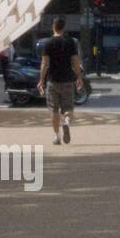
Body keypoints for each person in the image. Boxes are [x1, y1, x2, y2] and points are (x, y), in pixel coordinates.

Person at [37, 17, 83, 145]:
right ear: (63, 27)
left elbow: (45, 64)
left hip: (53, 80)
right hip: (68, 80)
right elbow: (75, 62)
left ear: (53, 26)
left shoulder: (48, 43)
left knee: (54, 110)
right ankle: (67, 123)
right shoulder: (70, 42)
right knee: (68, 109)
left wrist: (41, 80)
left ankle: (57, 136)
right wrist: (79, 77)